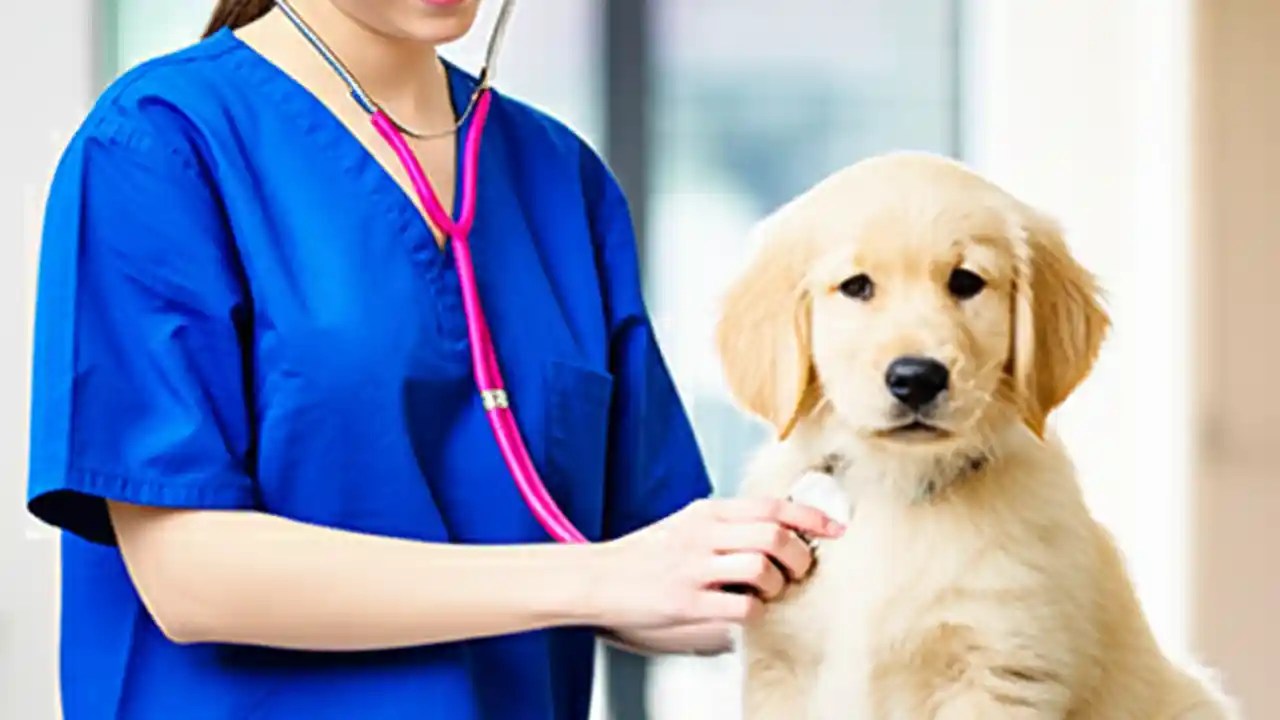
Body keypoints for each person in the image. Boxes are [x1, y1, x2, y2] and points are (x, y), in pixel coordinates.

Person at [25, 1, 845, 718]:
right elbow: (188, 577)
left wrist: (849, 533)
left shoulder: (562, 180)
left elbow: (665, 574)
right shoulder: (157, 145)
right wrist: (593, 579)